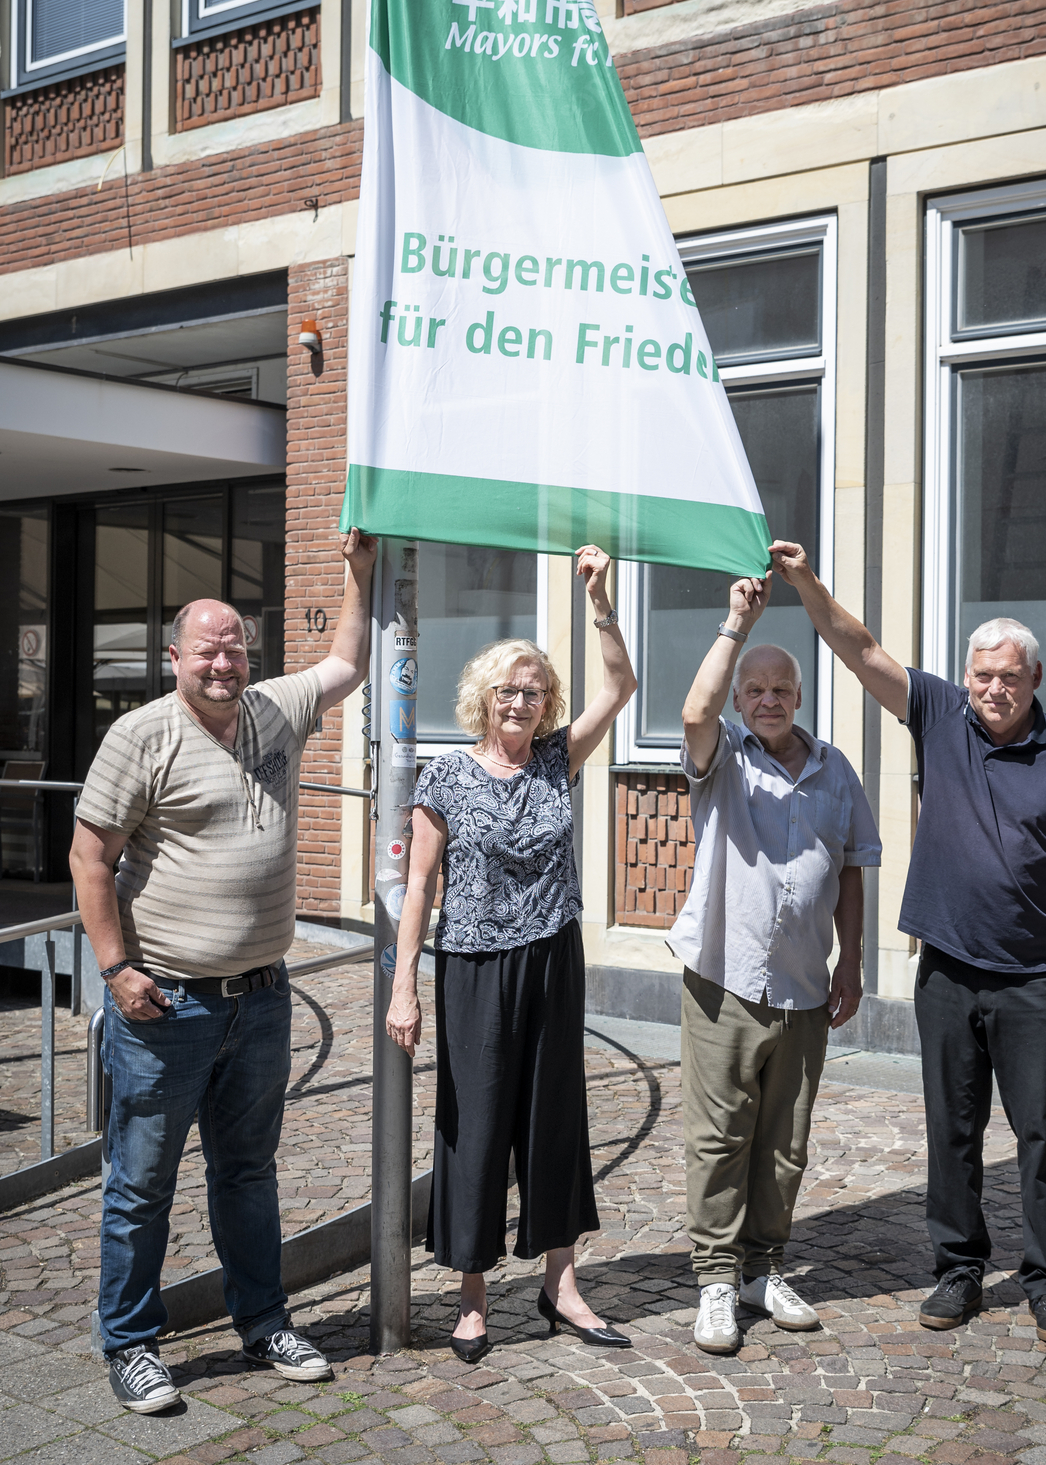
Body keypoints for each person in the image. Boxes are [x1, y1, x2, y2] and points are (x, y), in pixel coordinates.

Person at [768, 540, 1046, 1346]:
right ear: (967, 679)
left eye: (1009, 676)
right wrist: (808, 584)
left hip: (1038, 978)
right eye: (982, 675)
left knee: (1040, 1136)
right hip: (949, 971)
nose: (994, 689)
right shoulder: (938, 715)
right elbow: (859, 651)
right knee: (952, 1130)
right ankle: (958, 1270)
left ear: (1035, 681)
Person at [70, 528, 377, 1413]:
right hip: (165, 1003)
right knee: (141, 1183)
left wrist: (358, 573)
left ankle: (264, 1320)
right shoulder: (142, 735)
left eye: (235, 645)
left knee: (248, 1173)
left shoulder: (275, 710)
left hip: (262, 999)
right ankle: (130, 1342)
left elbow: (348, 663)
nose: (223, 660)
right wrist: (117, 969)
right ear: (174, 657)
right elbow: (90, 857)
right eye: (206, 648)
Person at [385, 545, 638, 1364]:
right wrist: (404, 989)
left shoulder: (560, 760)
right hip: (474, 967)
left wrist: (600, 600)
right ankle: (469, 1293)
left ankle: (561, 1283)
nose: (521, 701)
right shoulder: (446, 776)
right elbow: (418, 888)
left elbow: (622, 688)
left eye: (533, 691)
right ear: (483, 700)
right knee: (476, 1123)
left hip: (552, 958)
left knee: (555, 1119)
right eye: (508, 690)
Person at [666, 573, 881, 1355]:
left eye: (779, 688)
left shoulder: (835, 770)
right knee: (720, 1135)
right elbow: (694, 711)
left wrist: (851, 964)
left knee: (785, 1140)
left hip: (803, 985)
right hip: (723, 978)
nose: (767, 699)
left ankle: (762, 1269)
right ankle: (716, 1281)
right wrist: (734, 624)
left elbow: (854, 866)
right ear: (740, 700)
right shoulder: (721, 758)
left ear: (798, 694)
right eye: (753, 689)